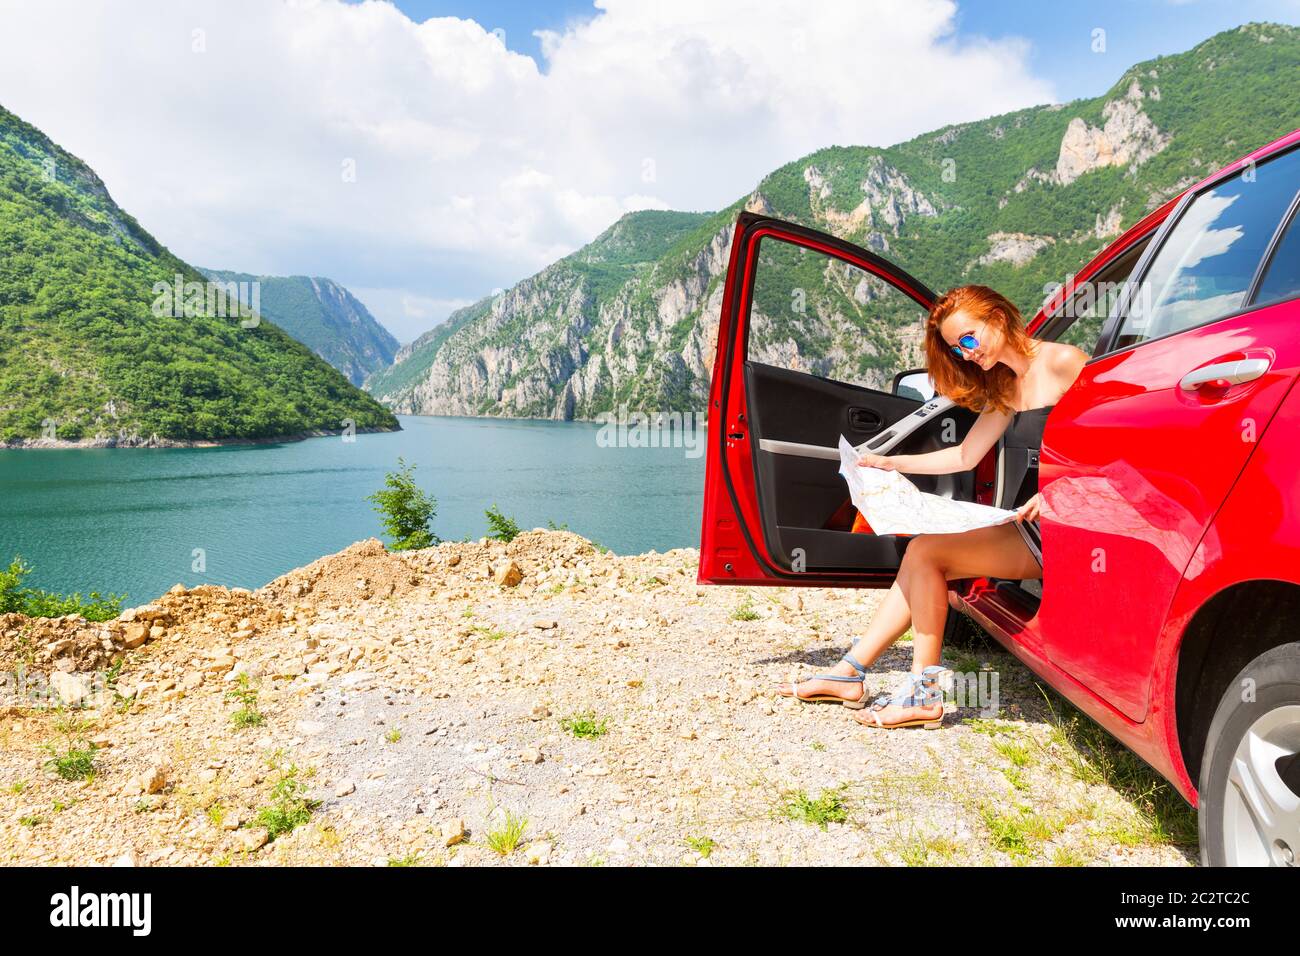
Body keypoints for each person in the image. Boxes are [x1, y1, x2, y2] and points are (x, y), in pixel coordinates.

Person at [776, 284, 1089, 729]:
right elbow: (965, 456)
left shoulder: (1063, 362)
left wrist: (1060, 489)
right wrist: (889, 462)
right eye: (954, 348)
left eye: (967, 339)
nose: (964, 354)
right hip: (1032, 524)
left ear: (998, 319)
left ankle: (921, 692)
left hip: (1072, 524)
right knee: (922, 553)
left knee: (925, 553)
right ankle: (850, 672)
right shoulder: (1005, 382)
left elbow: (1116, 439)